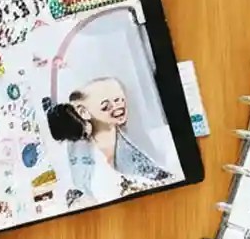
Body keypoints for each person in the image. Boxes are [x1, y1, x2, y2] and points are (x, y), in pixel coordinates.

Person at [46, 76, 171, 204]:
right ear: (83, 112)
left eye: (120, 100)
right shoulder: (76, 151)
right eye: (106, 106)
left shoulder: (149, 142)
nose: (118, 107)